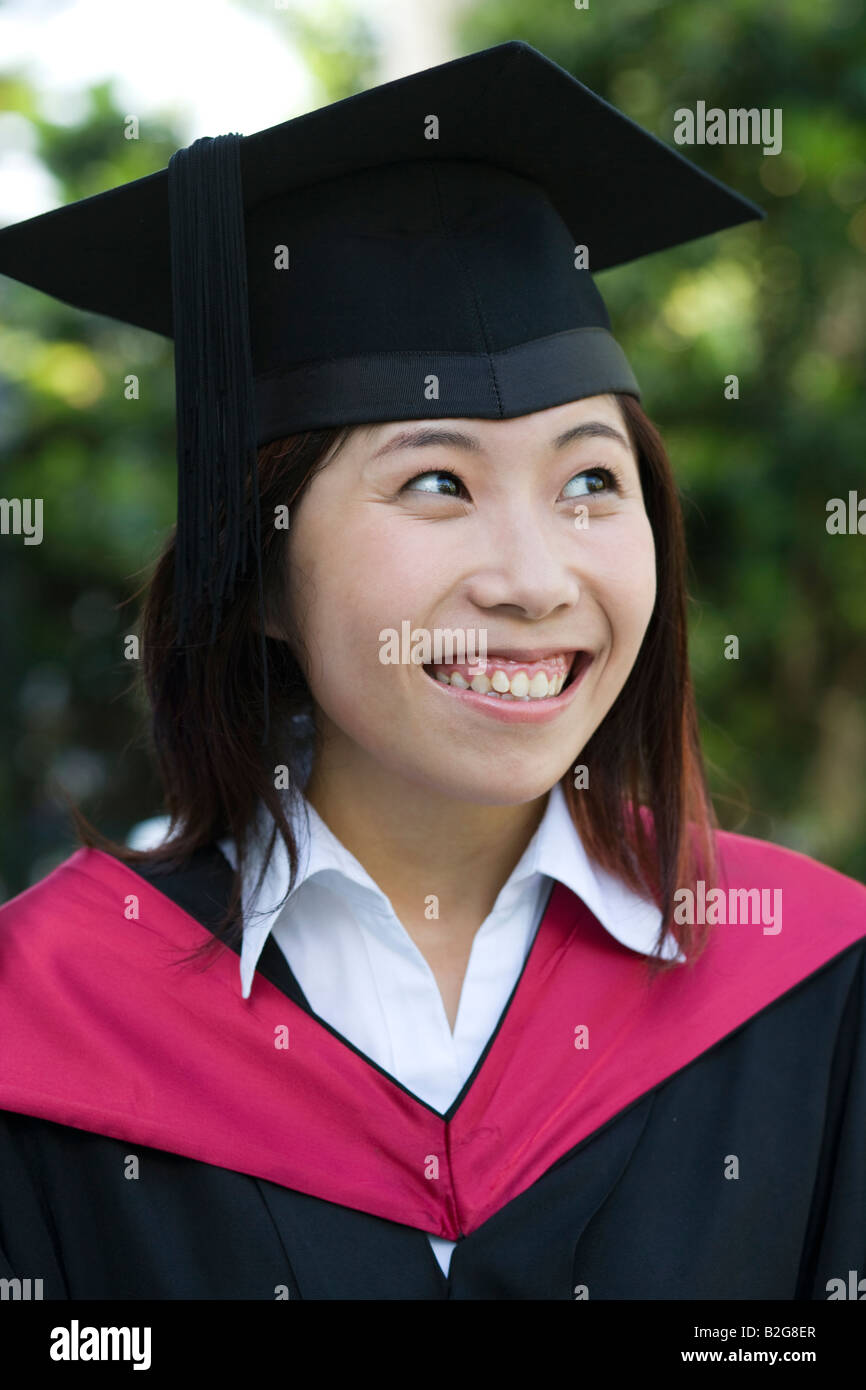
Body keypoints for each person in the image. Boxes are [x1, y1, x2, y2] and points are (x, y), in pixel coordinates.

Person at [0, 40, 863, 1302]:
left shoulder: (810, 980)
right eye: (436, 483)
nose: (531, 578)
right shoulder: (50, 1018)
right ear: (255, 572)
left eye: (588, 481)